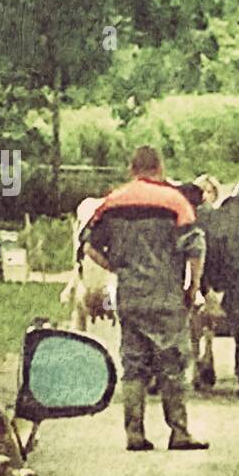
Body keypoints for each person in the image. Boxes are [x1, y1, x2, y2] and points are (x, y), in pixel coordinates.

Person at [82, 146, 208, 452]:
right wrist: (193, 287)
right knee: (173, 364)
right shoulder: (176, 201)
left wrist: (117, 267)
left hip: (130, 297)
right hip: (166, 296)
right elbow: (195, 247)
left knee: (134, 365)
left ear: (132, 168)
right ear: (159, 167)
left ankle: (134, 434)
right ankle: (179, 432)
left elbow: (89, 246)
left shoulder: (112, 202)